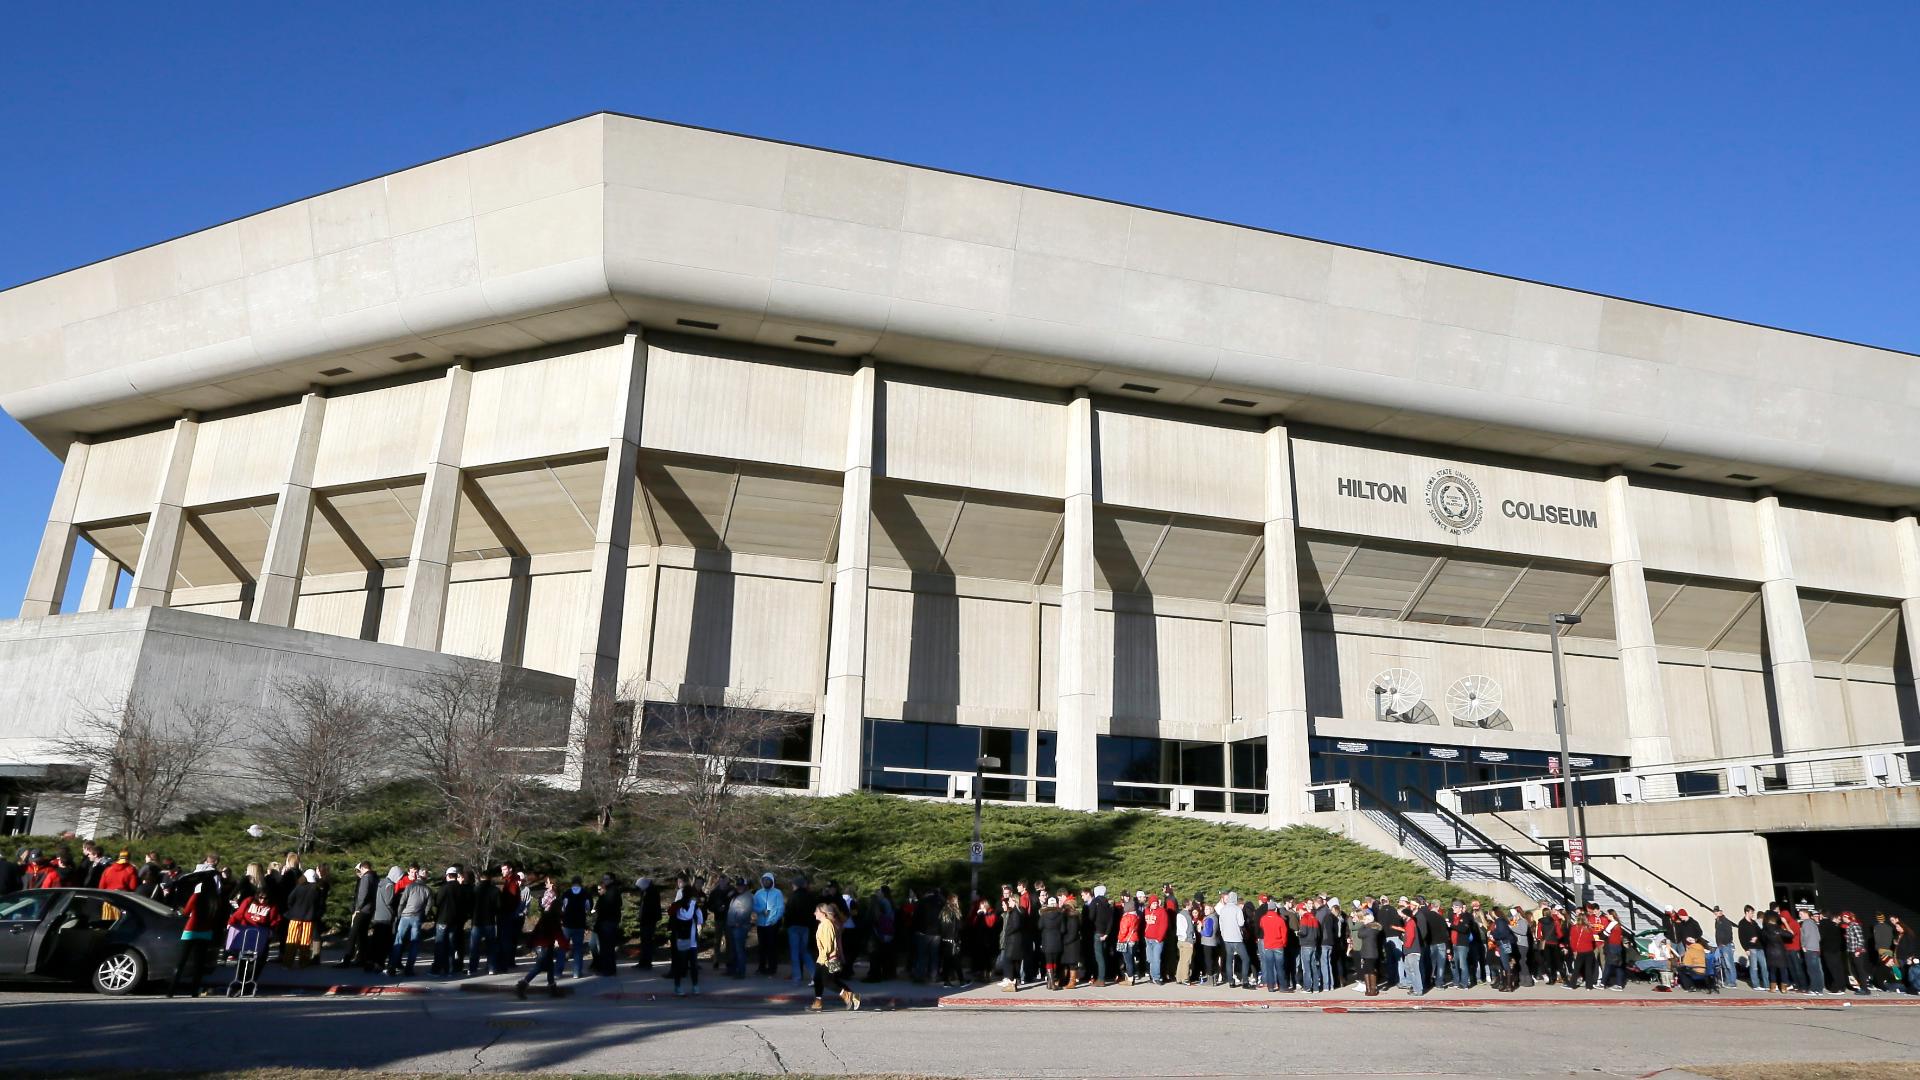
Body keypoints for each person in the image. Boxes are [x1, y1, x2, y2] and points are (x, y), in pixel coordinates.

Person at [167, 876, 226, 998]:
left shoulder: (196, 896)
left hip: (191, 930)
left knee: (181, 962)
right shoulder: (215, 900)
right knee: (199, 964)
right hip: (206, 931)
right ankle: (194, 991)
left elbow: (186, 912)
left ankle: (171, 990)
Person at [514, 874, 566, 999]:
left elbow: (537, 930)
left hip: (543, 945)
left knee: (550, 967)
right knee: (538, 968)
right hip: (545, 946)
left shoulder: (546, 916)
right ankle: (522, 985)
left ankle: (552, 989)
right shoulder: (553, 918)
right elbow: (558, 934)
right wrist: (565, 945)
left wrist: (530, 943)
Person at [811, 901, 862, 1010]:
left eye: (816, 911)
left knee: (827, 982)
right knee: (818, 979)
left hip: (827, 958)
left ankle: (847, 995)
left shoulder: (827, 925)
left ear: (823, 913)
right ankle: (818, 1002)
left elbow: (828, 945)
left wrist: (824, 958)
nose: (814, 913)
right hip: (823, 958)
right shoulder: (823, 924)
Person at [389, 867, 434, 976]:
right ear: (426, 877)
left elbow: (402, 901)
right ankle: (409, 969)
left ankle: (392, 967)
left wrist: (400, 914)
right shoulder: (428, 890)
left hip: (405, 916)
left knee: (398, 940)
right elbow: (428, 906)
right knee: (414, 943)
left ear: (418, 875)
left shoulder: (410, 886)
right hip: (417, 917)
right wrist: (423, 916)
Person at [431, 867, 471, 977]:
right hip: (455, 921)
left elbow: (437, 902)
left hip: (443, 919)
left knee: (440, 945)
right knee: (451, 945)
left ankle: (437, 968)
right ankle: (450, 968)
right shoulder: (461, 889)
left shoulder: (444, 888)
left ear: (448, 875)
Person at [284, 868, 325, 968]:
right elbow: (320, 905)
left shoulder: (299, 887)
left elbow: (290, 900)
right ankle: (303, 962)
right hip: (309, 919)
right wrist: (316, 915)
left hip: (295, 918)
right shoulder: (317, 890)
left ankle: (288, 962)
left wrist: (292, 909)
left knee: (291, 940)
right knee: (305, 941)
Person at [670, 880, 704, 996]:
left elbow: (700, 920)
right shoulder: (679, 906)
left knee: (693, 965)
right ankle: (678, 986)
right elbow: (686, 916)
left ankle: (695, 985)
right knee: (680, 965)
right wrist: (693, 904)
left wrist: (696, 909)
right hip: (682, 940)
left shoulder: (694, 907)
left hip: (692, 942)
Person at [341, 862, 377, 969]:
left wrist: (357, 909)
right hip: (370, 910)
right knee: (362, 935)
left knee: (353, 933)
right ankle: (363, 958)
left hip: (362, 910)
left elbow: (362, 895)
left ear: (362, 868)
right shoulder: (375, 877)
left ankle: (347, 958)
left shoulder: (366, 878)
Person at [366, 866, 400, 973]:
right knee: (383, 943)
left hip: (378, 916)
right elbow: (389, 900)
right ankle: (379, 964)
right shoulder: (389, 885)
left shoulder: (381, 882)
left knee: (375, 942)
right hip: (386, 917)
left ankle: (370, 962)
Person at [469, 867, 501, 976]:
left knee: (474, 947)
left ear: (480, 878)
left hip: (476, 921)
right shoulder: (495, 890)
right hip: (490, 921)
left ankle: (472, 968)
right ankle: (491, 968)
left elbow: (469, 905)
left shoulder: (474, 890)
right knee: (491, 946)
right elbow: (499, 907)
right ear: (490, 878)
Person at [750, 873, 784, 977]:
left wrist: (775, 919)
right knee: (762, 947)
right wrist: (761, 910)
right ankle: (761, 967)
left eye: (768, 880)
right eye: (764, 880)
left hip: (772, 924)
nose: (766, 882)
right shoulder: (758, 893)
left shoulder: (777, 893)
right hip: (761, 923)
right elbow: (753, 906)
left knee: (771, 946)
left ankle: (772, 968)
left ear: (772, 881)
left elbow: (780, 908)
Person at [785, 877, 816, 987]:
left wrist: (787, 925)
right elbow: (813, 912)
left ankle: (797, 978)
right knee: (805, 952)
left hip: (794, 926)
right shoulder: (809, 897)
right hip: (805, 927)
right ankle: (814, 976)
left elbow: (788, 912)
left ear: (796, 885)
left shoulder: (793, 897)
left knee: (795, 952)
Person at [997, 891, 1025, 992]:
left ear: (1014, 901)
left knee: (1008, 961)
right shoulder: (1018, 911)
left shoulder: (1015, 912)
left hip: (1013, 941)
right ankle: (1013, 982)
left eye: (1010, 901)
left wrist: (1007, 932)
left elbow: (1015, 925)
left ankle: (1011, 982)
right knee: (1014, 962)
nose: (1008, 902)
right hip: (1015, 940)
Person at [1258, 900, 1289, 992]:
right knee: (1280, 967)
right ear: (1275, 909)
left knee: (1269, 966)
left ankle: (1270, 986)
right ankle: (1282, 986)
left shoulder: (1263, 919)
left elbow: (1261, 926)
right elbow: (1284, 933)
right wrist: (1283, 943)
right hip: (1278, 944)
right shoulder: (1280, 920)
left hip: (1268, 944)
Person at [1739, 905, 1769, 991]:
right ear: (1747, 912)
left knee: (1764, 966)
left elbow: (1760, 932)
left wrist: (1759, 936)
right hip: (1751, 948)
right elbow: (1741, 937)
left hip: (1759, 947)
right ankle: (1756, 985)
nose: (1753, 914)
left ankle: (1766, 984)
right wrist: (1746, 949)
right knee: (1754, 967)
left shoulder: (1753, 922)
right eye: (1751, 913)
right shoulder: (1742, 923)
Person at [1089, 885, 1114, 986]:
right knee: (1103, 955)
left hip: (1097, 931)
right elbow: (1110, 921)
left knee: (1099, 957)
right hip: (1105, 932)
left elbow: (1091, 917)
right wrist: (1107, 933)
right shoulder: (1108, 904)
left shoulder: (1095, 902)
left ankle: (1101, 979)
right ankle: (1103, 976)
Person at [1761, 910, 1791, 994]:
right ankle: (1784, 988)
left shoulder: (1764, 929)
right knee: (1783, 970)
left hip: (1770, 951)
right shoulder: (1778, 929)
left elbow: (1763, 940)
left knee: (1772, 971)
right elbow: (1790, 935)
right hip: (1780, 951)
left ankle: (1773, 988)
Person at [1355, 909, 1383, 996]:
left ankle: (1373, 989)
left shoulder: (1371, 928)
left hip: (1370, 953)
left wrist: (1363, 925)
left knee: (1371, 971)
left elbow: (1360, 934)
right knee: (1366, 971)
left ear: (1369, 920)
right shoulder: (1370, 928)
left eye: (1365, 919)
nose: (1363, 921)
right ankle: (1368, 989)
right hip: (1367, 952)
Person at [1115, 896, 1141, 985]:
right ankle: (1132, 976)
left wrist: (1120, 939)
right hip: (1134, 939)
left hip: (1126, 940)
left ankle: (1130, 978)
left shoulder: (1126, 917)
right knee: (1132, 959)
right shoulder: (1136, 916)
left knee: (1128, 960)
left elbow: (1123, 931)